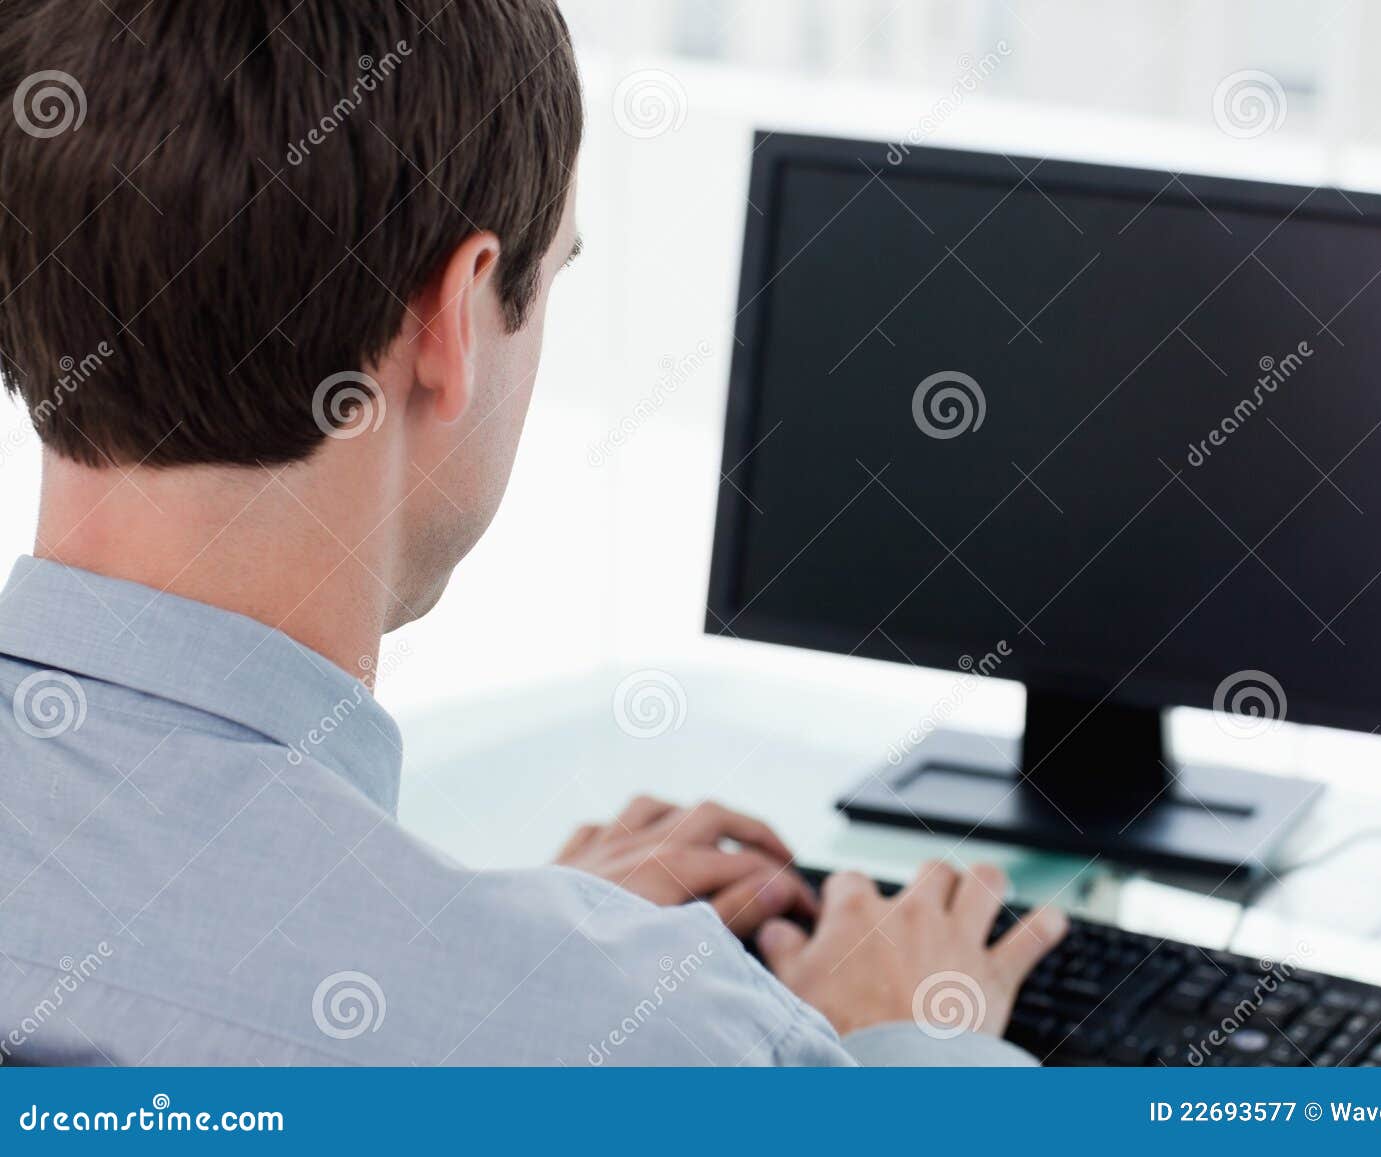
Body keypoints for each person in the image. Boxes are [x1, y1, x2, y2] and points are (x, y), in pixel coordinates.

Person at [0, 0, 1065, 1066]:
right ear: (452, 320)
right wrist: (900, 1042)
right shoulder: (674, 1052)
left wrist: (496, 949)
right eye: (553, 275)